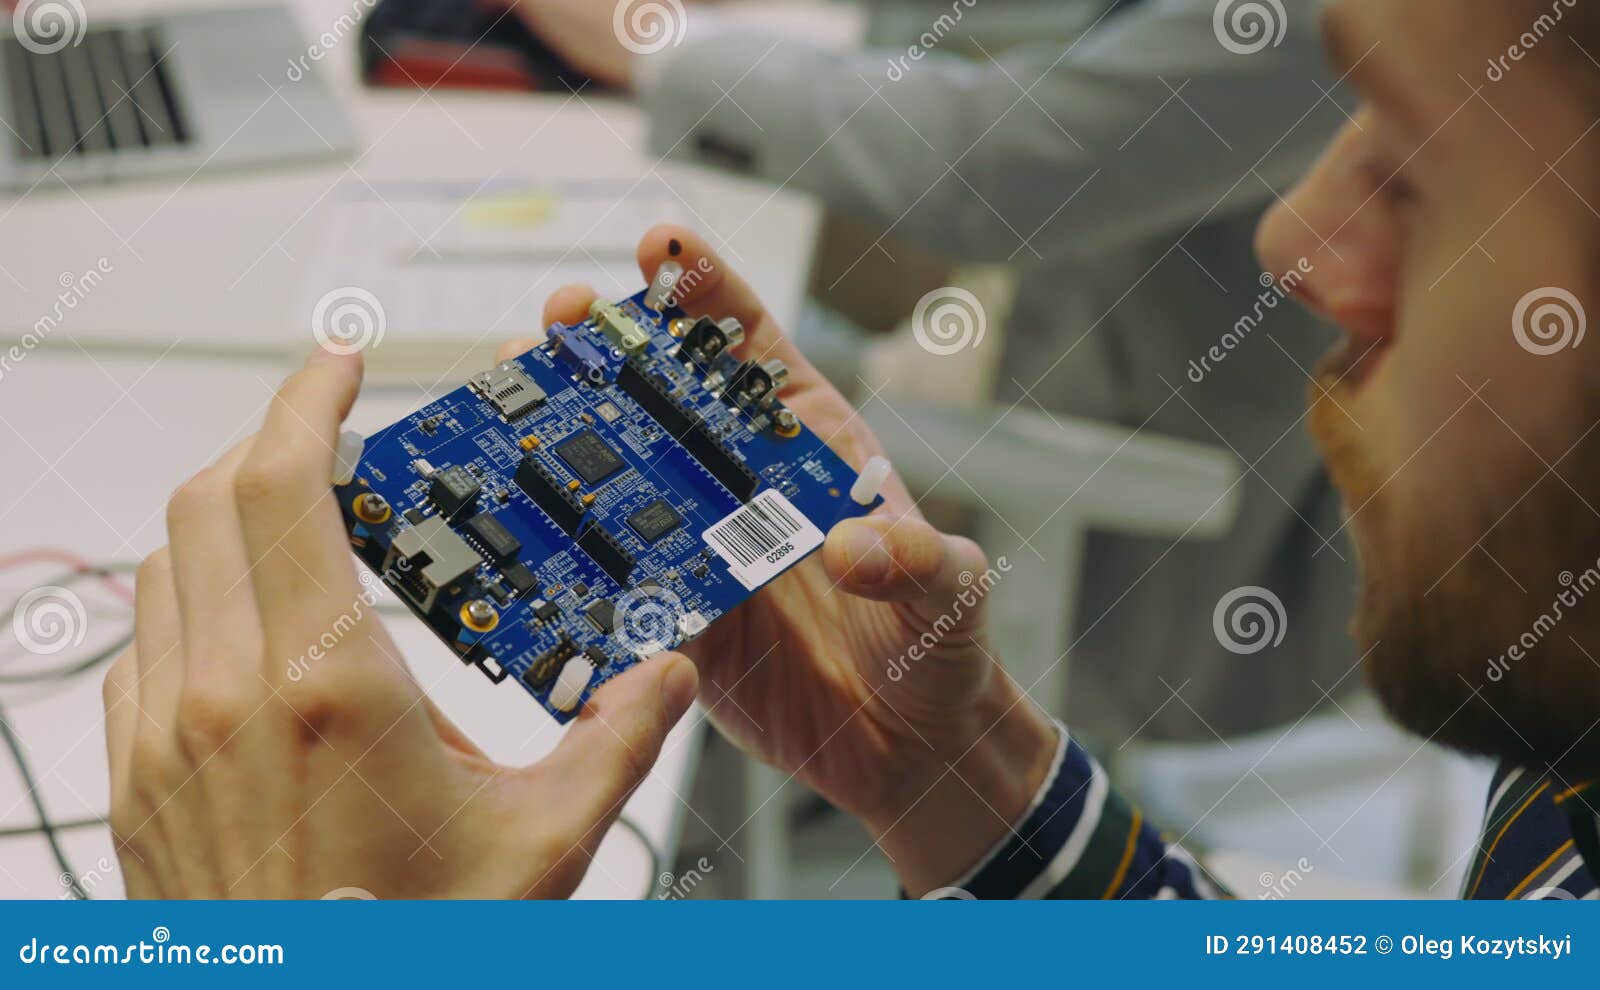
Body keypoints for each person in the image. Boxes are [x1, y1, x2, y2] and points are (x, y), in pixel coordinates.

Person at [107, 0, 1600, 898]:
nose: (1300, 238)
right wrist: (973, 776)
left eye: (1409, 160)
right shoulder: (1565, 779)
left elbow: (996, 154)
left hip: (1181, 569)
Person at [515, 0, 1359, 743]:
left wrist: (651, 41)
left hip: (1131, 545)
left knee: (602, 462)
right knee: (613, 354)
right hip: (1045, 338)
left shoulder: (1327, 22)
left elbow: (993, 165)